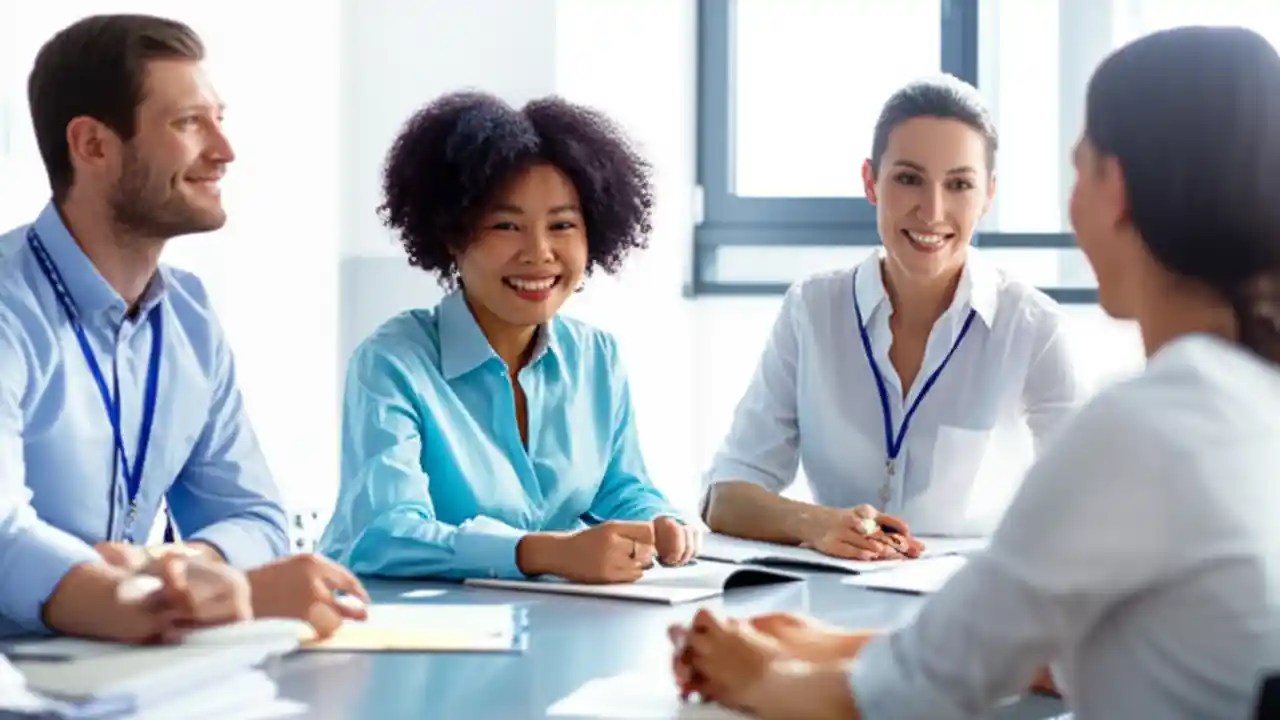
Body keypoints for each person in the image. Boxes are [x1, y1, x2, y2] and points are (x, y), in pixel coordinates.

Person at [671, 25, 1280, 720]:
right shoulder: (1249, 401)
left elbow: (912, 692)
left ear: (1116, 192)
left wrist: (749, 670)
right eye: (908, 179)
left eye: (1079, 168)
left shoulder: (1142, 426)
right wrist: (832, 643)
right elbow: (1052, 652)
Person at [0, 14, 367, 640]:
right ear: (92, 145)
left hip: (127, 672)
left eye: (218, 119)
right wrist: (165, 597)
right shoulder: (10, 307)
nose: (224, 152)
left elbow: (254, 517)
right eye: (189, 123)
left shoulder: (189, 318)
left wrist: (164, 566)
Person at [320, 91, 700, 582]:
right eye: (506, 225)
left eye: (562, 224)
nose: (539, 252)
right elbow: (384, 534)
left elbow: (622, 489)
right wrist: (545, 553)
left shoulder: (597, 358)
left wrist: (660, 524)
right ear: (452, 236)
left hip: (548, 624)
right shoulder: (392, 362)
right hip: (407, 631)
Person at [702, 74, 1085, 561]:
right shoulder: (813, 311)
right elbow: (726, 496)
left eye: (959, 184)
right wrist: (816, 523)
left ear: (988, 195)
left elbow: (1090, 502)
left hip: (965, 610)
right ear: (870, 182)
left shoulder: (1031, 326)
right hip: (832, 605)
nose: (932, 210)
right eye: (908, 178)